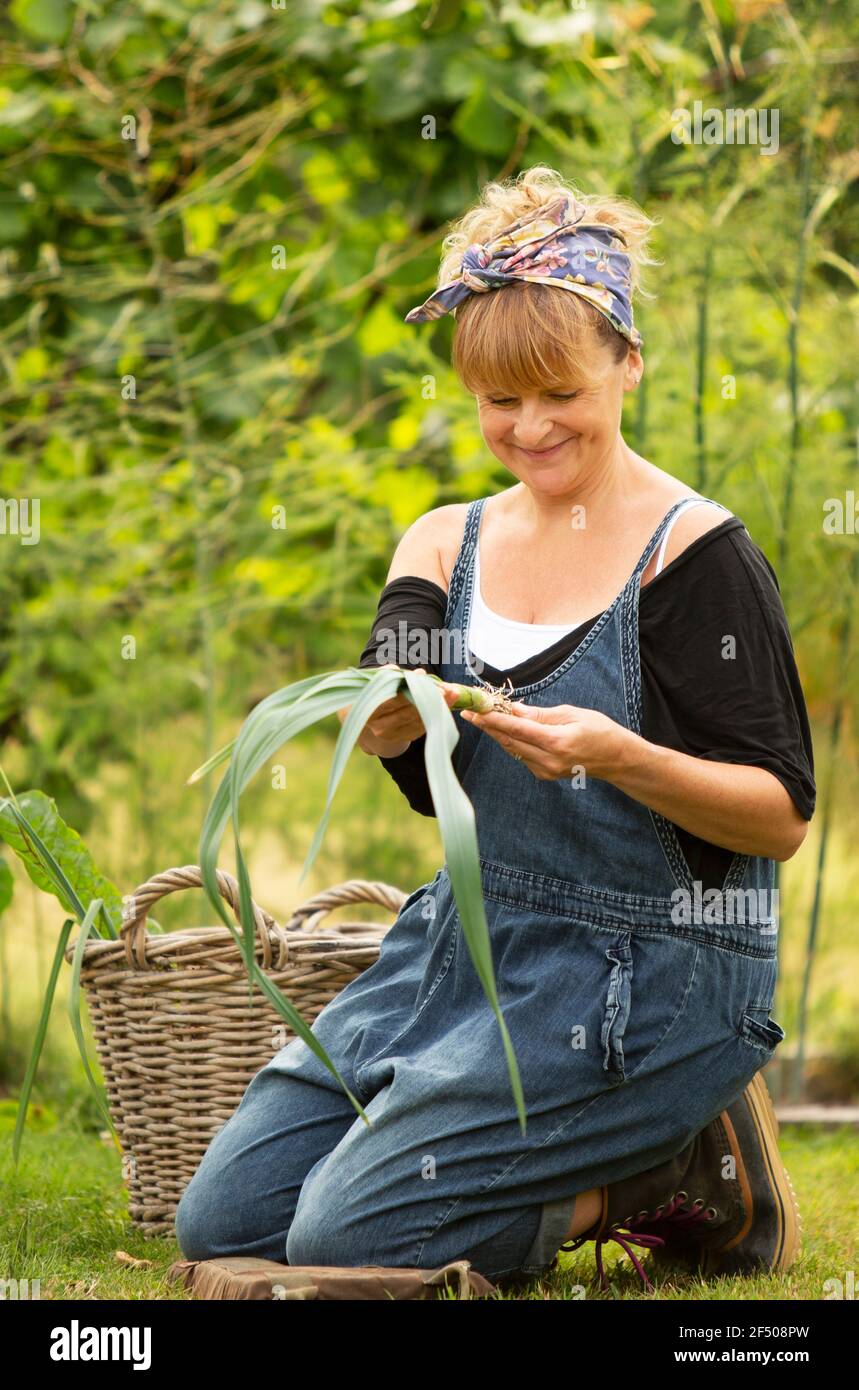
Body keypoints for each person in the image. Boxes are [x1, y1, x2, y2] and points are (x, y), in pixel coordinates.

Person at [175, 169, 815, 1293]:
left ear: (629, 365)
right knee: (222, 1216)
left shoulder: (694, 557)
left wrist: (614, 753)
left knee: (345, 1240)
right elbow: (430, 770)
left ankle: (666, 1179)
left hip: (654, 971)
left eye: (557, 391)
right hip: (472, 948)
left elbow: (782, 817)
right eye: (495, 400)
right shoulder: (440, 544)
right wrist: (380, 727)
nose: (527, 428)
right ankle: (597, 1160)